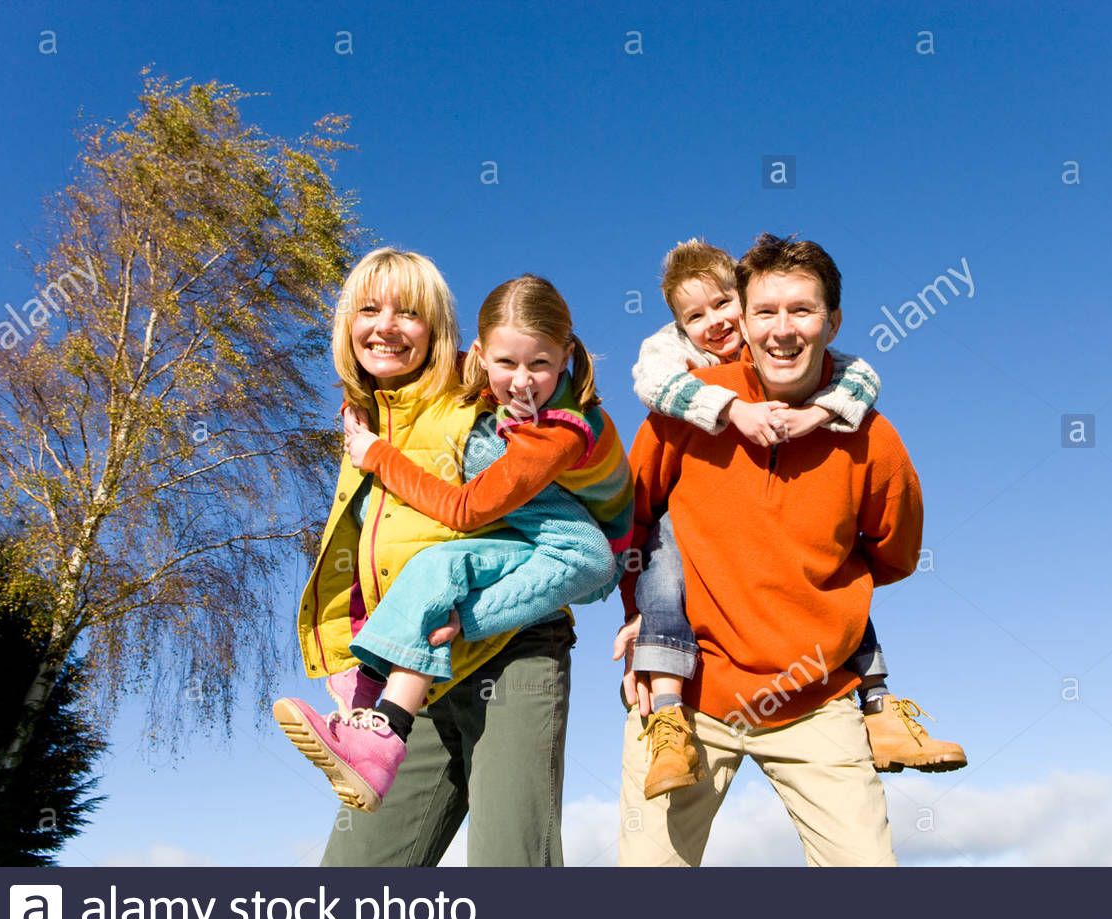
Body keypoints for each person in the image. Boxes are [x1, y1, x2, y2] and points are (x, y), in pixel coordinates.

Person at [617, 233, 926, 866]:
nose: (782, 330)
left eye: (802, 311)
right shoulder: (687, 408)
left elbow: (896, 553)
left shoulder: (870, 435)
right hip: (692, 698)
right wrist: (638, 618)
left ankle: (879, 702)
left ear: (832, 321)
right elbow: (628, 521)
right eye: (767, 312)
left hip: (818, 699)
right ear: (747, 319)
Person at [276, 273, 631, 816]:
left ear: (565, 358)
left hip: (565, 570)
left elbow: (470, 512)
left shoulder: (542, 433)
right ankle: (371, 707)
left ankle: (379, 716)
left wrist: (377, 456)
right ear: (482, 356)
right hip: (453, 638)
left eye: (539, 364)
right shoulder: (450, 388)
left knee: (440, 561)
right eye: (506, 364)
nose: (521, 382)